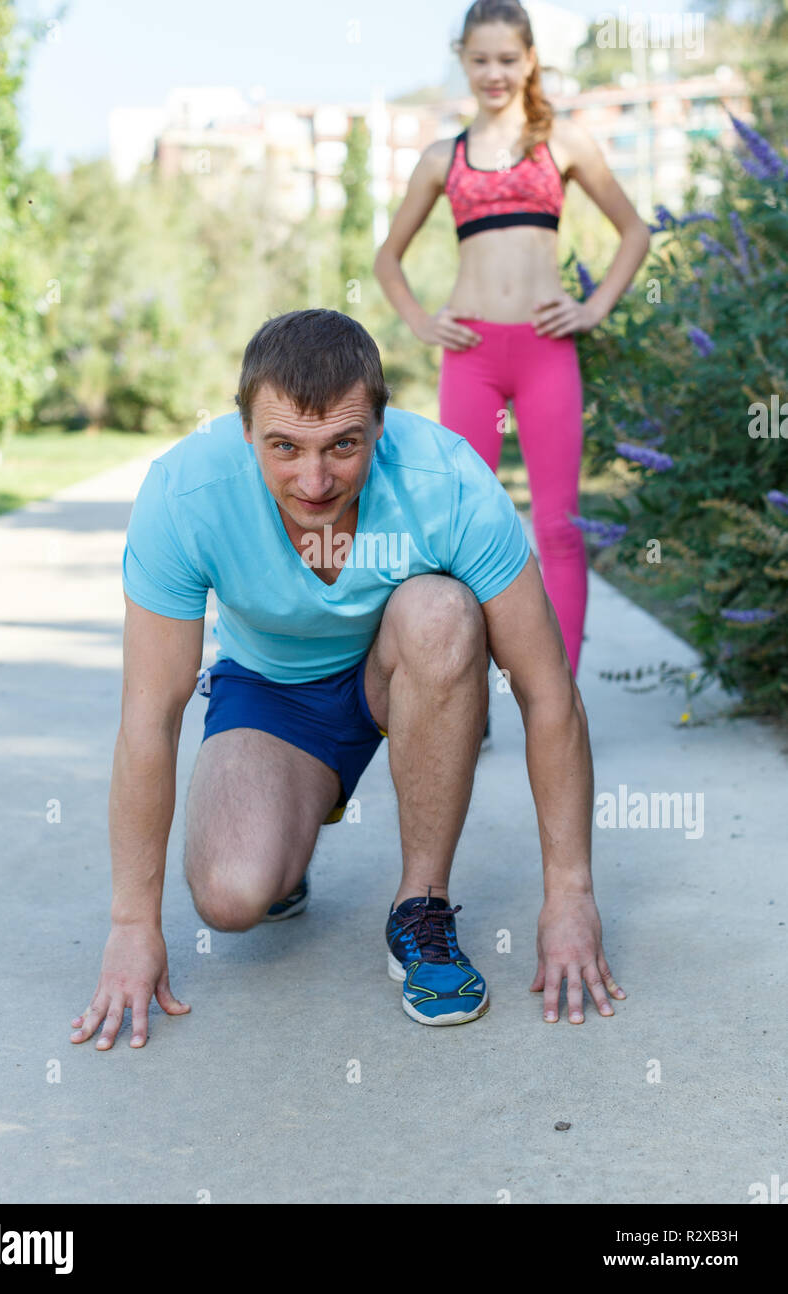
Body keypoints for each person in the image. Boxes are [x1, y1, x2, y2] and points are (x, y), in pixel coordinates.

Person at [69, 309, 625, 1049]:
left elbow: (548, 690)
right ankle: (289, 837)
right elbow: (150, 714)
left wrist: (571, 895)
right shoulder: (185, 493)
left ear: (380, 428)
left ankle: (421, 908)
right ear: (244, 433)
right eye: (284, 447)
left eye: (343, 445)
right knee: (232, 897)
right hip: (272, 694)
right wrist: (132, 925)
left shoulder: (449, 482)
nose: (314, 478)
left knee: (440, 610)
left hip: (403, 674)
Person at [374, 0, 650, 688]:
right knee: (461, 531)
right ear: (461, 61)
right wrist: (419, 320)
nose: (493, 72)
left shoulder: (563, 143)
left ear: (530, 60)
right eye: (479, 60)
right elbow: (387, 259)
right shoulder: (445, 157)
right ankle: (467, 699)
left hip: (544, 351)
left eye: (507, 59)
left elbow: (635, 232)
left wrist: (592, 308)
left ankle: (556, 696)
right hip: (469, 357)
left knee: (558, 527)